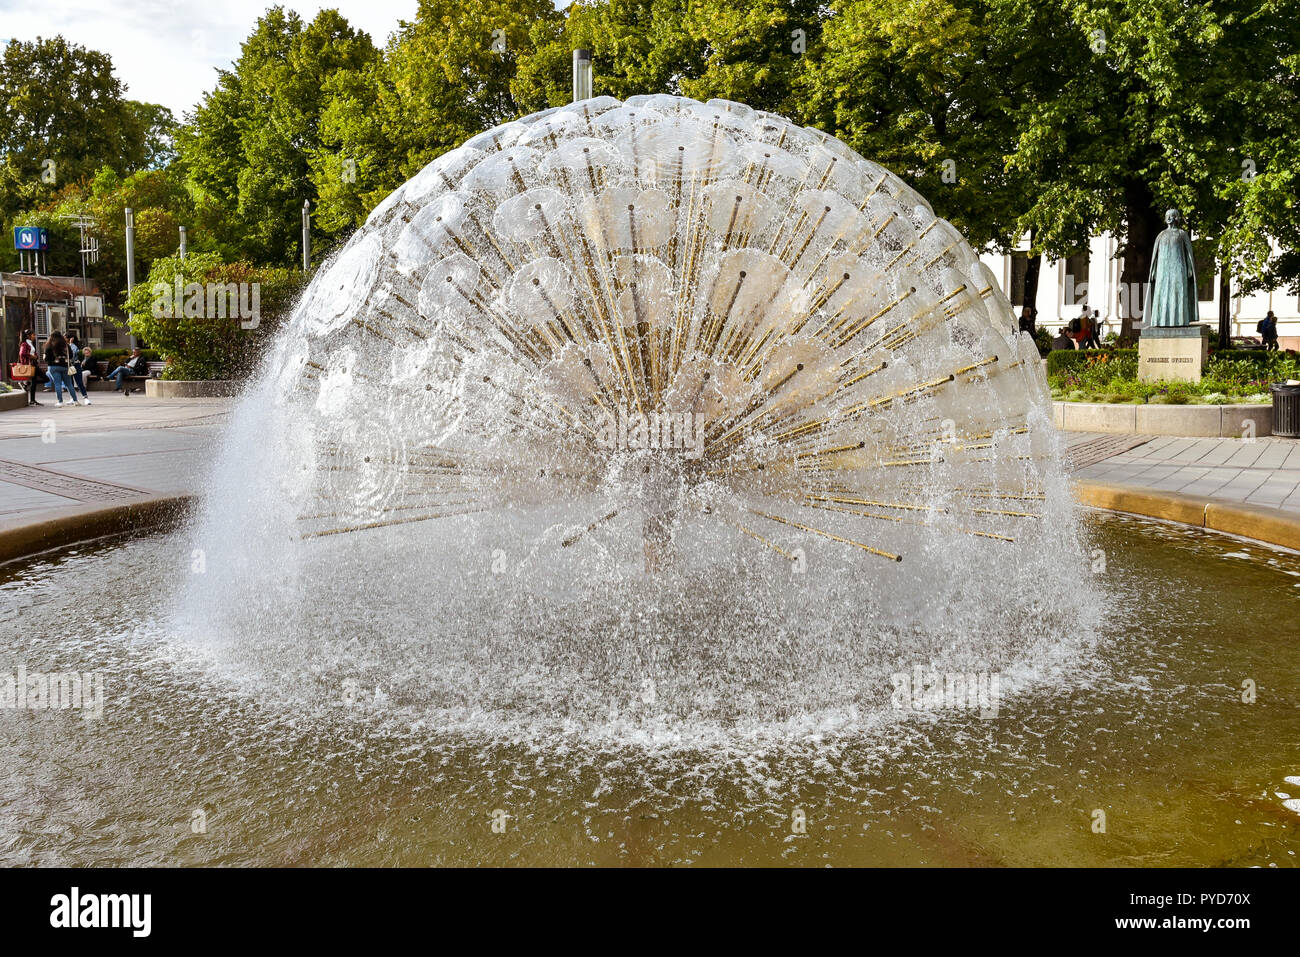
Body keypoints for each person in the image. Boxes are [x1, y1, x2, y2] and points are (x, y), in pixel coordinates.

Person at [43, 331, 84, 407]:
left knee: (57, 384)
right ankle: (75, 401)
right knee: (69, 384)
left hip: (53, 366)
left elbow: (46, 358)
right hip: (65, 366)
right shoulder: (66, 345)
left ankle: (60, 402)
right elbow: (71, 356)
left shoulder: (49, 345)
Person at [16, 329, 41, 406]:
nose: (35, 336)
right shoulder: (24, 344)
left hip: (33, 364)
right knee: (44, 378)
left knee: (38, 381)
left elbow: (33, 352)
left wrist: (36, 356)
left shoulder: (30, 343)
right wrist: (32, 356)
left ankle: (32, 399)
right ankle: (32, 399)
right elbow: (22, 354)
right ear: (28, 336)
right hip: (29, 365)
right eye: (33, 335)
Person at [66, 333, 92, 405]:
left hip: (75, 365)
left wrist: (71, 343)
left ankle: (85, 398)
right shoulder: (65, 345)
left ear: (71, 338)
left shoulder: (74, 346)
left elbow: (73, 354)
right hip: (69, 366)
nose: (64, 339)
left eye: (65, 337)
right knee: (70, 383)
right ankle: (72, 398)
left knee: (79, 382)